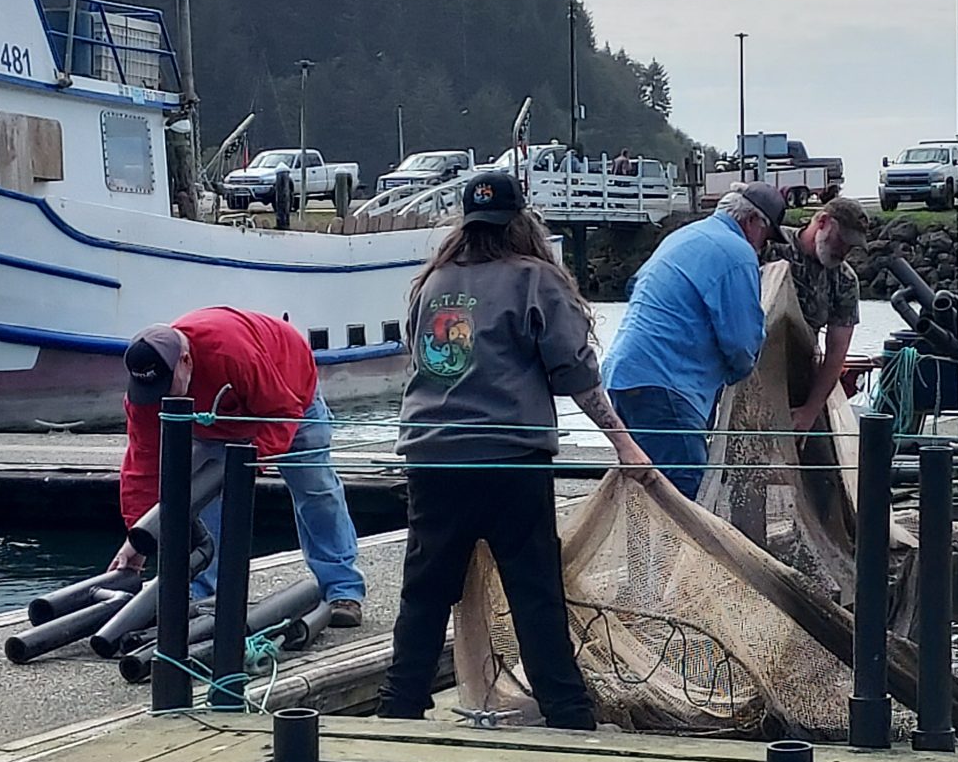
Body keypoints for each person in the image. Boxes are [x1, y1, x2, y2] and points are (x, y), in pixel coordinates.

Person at [382, 169, 654, 727]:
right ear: (521, 222)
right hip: (510, 457)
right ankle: (568, 715)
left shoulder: (431, 284)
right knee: (535, 596)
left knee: (425, 595)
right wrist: (624, 444)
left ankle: (399, 710)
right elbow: (574, 374)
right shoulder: (535, 279)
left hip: (431, 456)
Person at [113, 308, 366, 628]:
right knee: (204, 503)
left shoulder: (231, 353)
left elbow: (283, 412)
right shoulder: (146, 395)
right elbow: (143, 462)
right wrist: (138, 540)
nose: (158, 396)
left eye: (166, 384)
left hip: (289, 395)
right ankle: (204, 597)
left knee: (316, 490)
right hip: (215, 419)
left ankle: (343, 590)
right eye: (152, 390)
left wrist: (248, 464)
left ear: (186, 362)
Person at [601, 183, 787, 499]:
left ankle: (643, 551)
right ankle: (670, 552)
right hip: (668, 387)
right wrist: (737, 374)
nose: (762, 247)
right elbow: (742, 344)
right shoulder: (737, 252)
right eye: (766, 238)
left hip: (624, 377)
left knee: (644, 492)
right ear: (754, 222)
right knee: (681, 500)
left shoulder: (684, 237)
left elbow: (636, 289)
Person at [768, 194, 871, 431]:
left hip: (799, 370)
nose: (844, 251)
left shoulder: (844, 280)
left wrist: (810, 411)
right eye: (841, 240)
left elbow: (837, 351)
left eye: (851, 246)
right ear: (822, 222)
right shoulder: (771, 244)